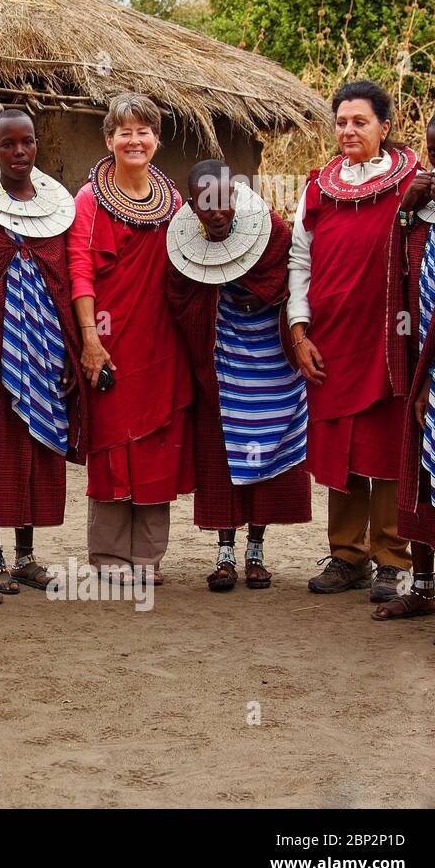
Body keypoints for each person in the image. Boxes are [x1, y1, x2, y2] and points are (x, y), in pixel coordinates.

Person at [289, 80, 420, 600]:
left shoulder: (414, 184)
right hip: (331, 337)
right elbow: (301, 258)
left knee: (386, 446)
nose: (348, 130)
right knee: (338, 443)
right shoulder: (318, 186)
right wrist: (299, 330)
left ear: (384, 128)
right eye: (341, 121)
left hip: (390, 338)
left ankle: (391, 558)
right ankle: (346, 556)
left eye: (359, 122)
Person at [166, 160, 311, 591]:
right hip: (220, 364)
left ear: (236, 198)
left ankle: (256, 550)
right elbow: (179, 297)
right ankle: (225, 553)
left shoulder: (272, 233)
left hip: (269, 365)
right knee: (221, 457)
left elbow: (290, 279)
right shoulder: (181, 245)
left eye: (223, 200)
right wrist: (215, 297)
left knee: (265, 451)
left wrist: (260, 297)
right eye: (204, 203)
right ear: (191, 204)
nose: (215, 212)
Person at [67, 92, 193, 583]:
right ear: (109, 140)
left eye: (143, 132)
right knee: (112, 441)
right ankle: (110, 558)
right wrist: (90, 340)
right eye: (124, 132)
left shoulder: (173, 201)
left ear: (156, 140)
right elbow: (81, 272)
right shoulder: (89, 199)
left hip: (161, 341)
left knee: (157, 440)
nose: (134, 141)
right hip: (109, 339)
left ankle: (148, 559)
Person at [0, 109, 83, 594]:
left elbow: (64, 282)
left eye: (28, 143)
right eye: (8, 144)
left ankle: (26, 554)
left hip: (44, 348)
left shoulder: (56, 212)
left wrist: (71, 354)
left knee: (36, 449)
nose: (19, 152)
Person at [381, 105, 435, 636]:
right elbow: (403, 271)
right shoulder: (427, 207)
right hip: (429, 371)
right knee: (426, 478)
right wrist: (406, 210)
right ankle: (423, 589)